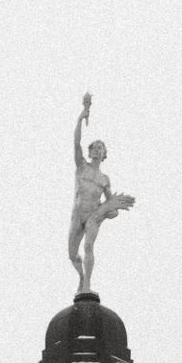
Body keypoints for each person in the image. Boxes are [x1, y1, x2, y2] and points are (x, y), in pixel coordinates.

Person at [67, 94, 135, 292]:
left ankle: (87, 286)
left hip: (92, 217)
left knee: (88, 246)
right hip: (77, 215)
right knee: (72, 255)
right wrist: (81, 118)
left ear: (104, 154)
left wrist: (110, 211)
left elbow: (110, 204)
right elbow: (76, 143)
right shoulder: (81, 167)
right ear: (90, 153)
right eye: (94, 147)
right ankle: (81, 276)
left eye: (100, 148)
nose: (97, 150)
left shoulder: (104, 179)